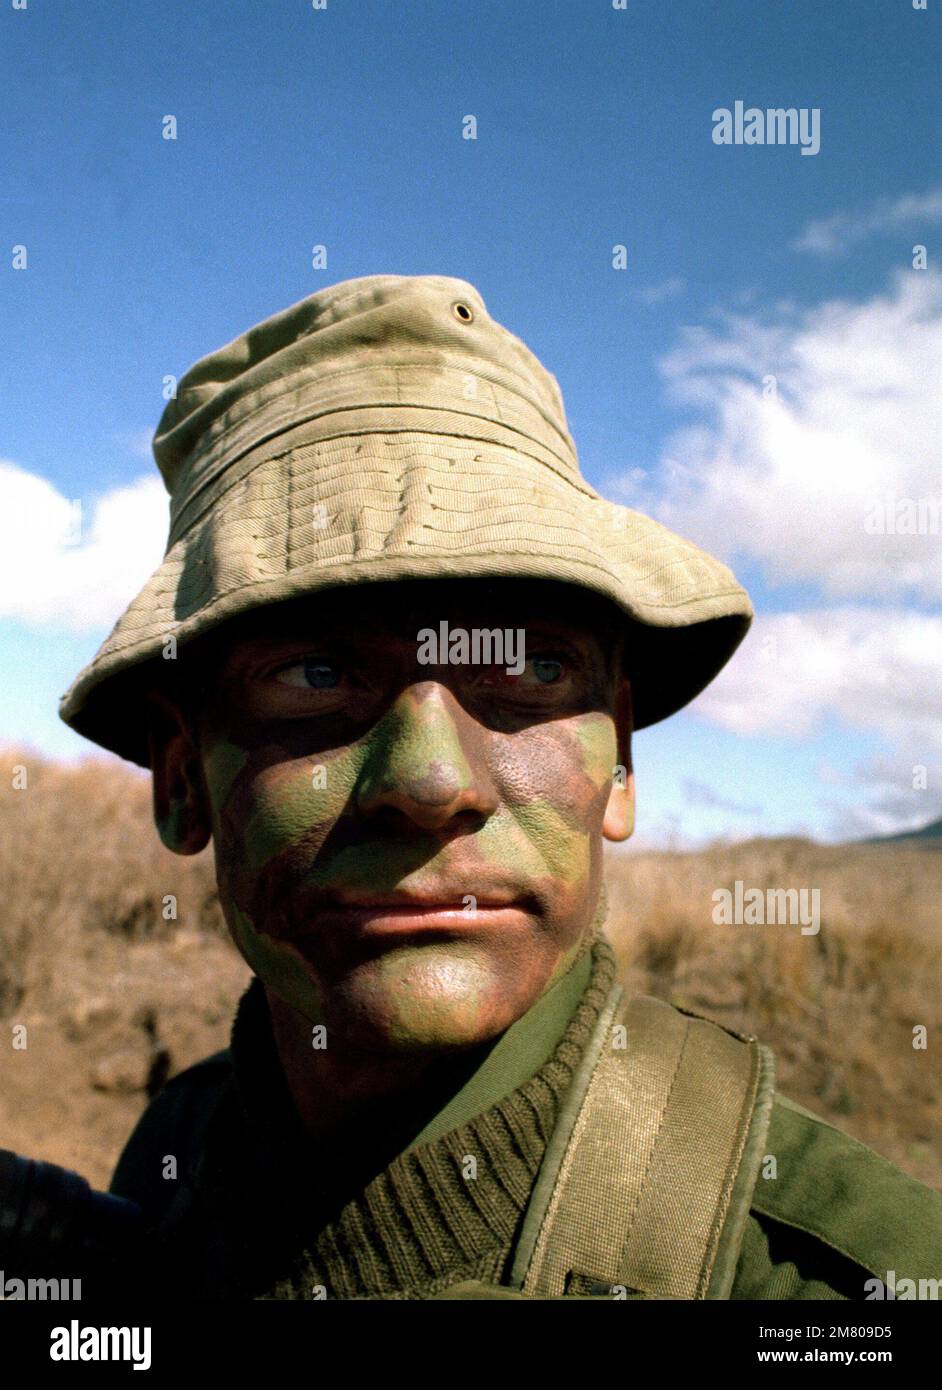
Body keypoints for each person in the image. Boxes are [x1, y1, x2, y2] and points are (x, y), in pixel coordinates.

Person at [58, 274, 942, 1300]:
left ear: (620, 765)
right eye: (314, 675)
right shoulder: (175, 1159)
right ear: (182, 779)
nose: (431, 784)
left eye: (530, 669)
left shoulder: (844, 1287)